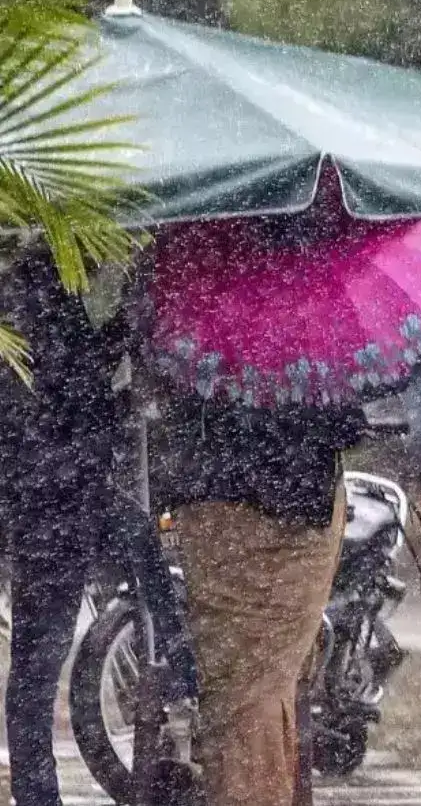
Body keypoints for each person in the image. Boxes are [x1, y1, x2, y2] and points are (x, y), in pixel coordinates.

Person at [148, 390, 365, 806]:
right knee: (267, 681)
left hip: (210, 510)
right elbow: (345, 426)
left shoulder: (201, 341)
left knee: (232, 681)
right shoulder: (310, 347)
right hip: (296, 514)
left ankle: (240, 789)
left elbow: (172, 409)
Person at [0, 245, 130, 806]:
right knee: (32, 672)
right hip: (48, 514)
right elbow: (68, 406)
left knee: (30, 677)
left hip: (35, 510)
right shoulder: (46, 305)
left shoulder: (36, 301)